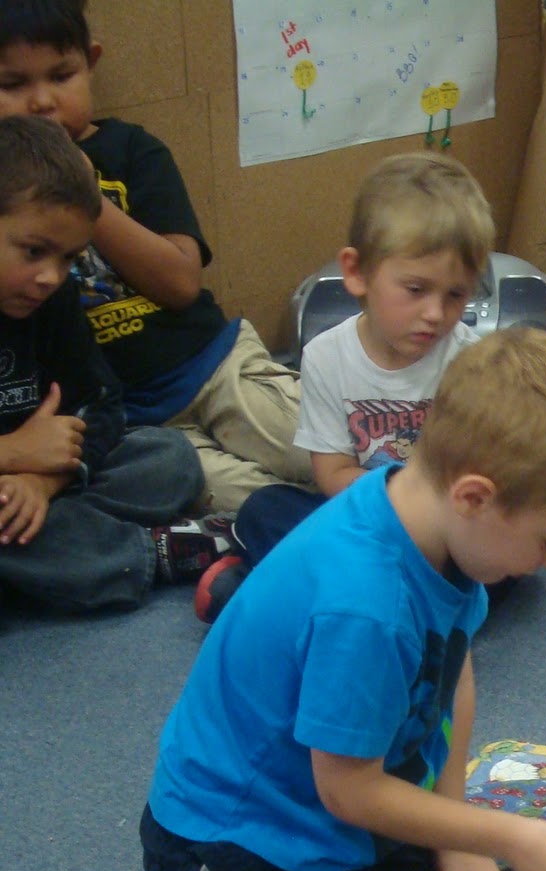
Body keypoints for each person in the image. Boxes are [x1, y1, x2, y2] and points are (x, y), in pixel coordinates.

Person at [64, 328, 546, 871]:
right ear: (474, 496)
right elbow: (350, 793)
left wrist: (459, 833)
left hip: (330, 810)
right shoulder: (365, 606)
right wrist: (506, 832)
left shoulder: (433, 522)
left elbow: (453, 669)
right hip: (237, 846)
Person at [0, 0, 314, 514]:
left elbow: (181, 283)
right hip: (137, 420)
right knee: (255, 503)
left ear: (91, 62)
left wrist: (81, 192)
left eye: (62, 75)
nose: (42, 102)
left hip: (215, 367)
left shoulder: (131, 151)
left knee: (325, 450)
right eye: (13, 84)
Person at [194, 151, 493, 622]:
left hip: (442, 524)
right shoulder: (326, 355)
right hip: (362, 515)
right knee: (264, 509)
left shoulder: (471, 360)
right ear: (356, 272)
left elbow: (482, 471)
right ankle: (382, 601)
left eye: (455, 294)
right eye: (416, 289)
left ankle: (300, 595)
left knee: (509, 558)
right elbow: (332, 473)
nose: (436, 313)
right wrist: (401, 506)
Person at [0, 114, 224, 613]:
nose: (49, 277)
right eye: (34, 251)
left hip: (47, 480)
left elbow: (101, 405)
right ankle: (154, 552)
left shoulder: (52, 298)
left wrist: (44, 479)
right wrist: (13, 453)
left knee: (168, 456)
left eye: (67, 259)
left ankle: (53, 554)